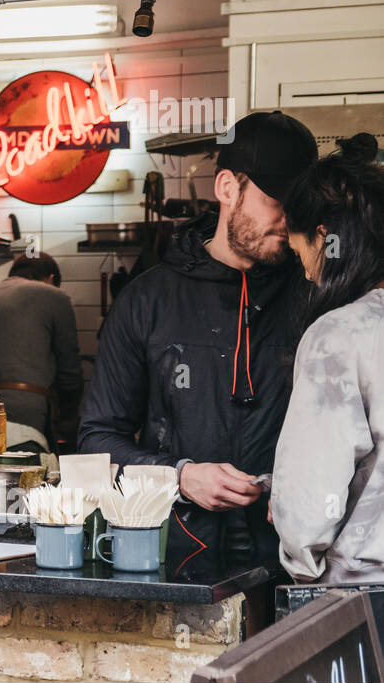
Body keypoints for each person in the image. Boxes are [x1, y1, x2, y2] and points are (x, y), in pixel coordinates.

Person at [78, 111, 317, 575]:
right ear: (227, 188)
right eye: (277, 201)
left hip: (296, 566)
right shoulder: (148, 301)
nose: (290, 221)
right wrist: (182, 476)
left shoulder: (316, 297)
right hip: (175, 559)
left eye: (302, 206)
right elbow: (96, 441)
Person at [271, 133, 384, 583]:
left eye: (299, 252)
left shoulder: (338, 333)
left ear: (323, 235)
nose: (305, 271)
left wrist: (302, 564)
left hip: (364, 593)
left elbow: (309, 502)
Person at [0, 252, 82, 462]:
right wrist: (69, 421)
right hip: (21, 429)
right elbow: (69, 372)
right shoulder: (54, 297)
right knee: (21, 494)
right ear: (51, 279)